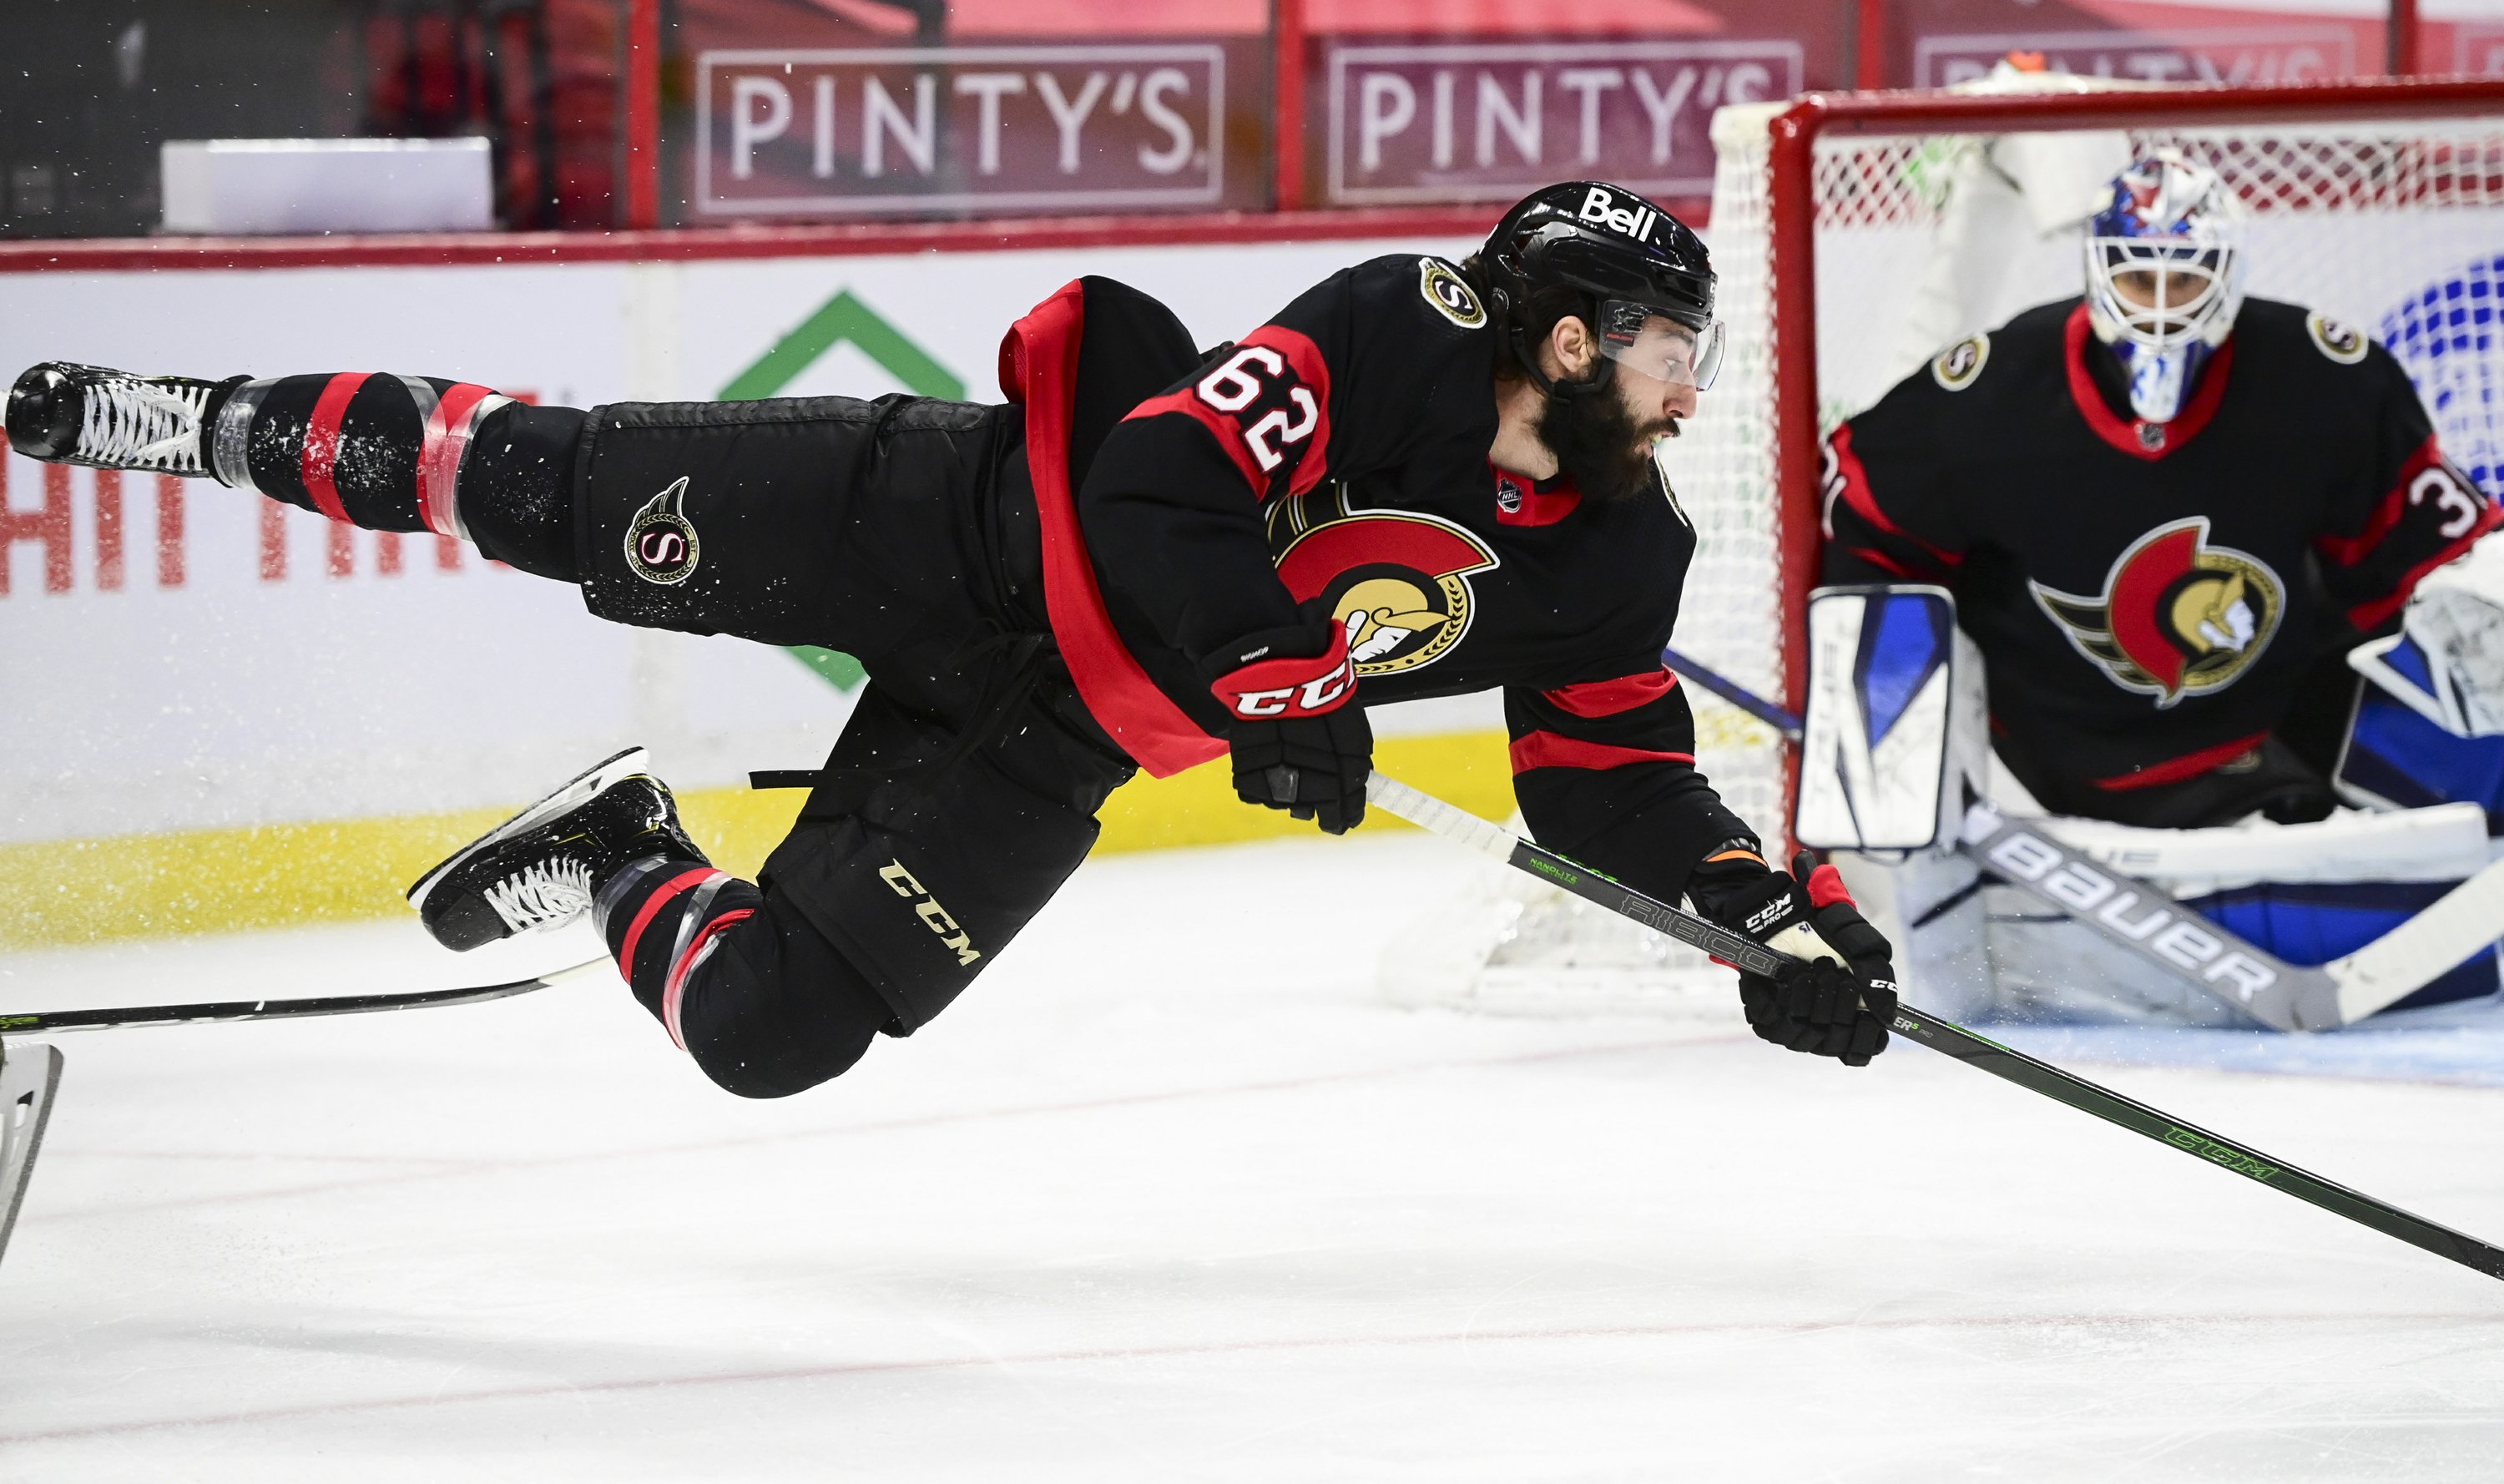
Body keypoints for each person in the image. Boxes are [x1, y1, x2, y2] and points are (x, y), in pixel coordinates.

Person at [8, 180, 1895, 1093]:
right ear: (1564, 341)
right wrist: (1271, 669)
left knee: (771, 1032)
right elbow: (1160, 473)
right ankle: (181, 415)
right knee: (533, 483)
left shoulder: (1619, 554)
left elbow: (1613, 783)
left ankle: (617, 855)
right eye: (1661, 347)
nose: (1682, 389)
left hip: (1053, 742)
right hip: (953, 526)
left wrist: (1760, 914)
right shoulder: (1402, 322)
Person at [1822, 150, 2500, 830]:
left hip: (2268, 746)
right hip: (2035, 760)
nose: (2164, 307)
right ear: (2099, 270)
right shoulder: (1993, 392)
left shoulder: (2322, 379)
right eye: (2141, 278)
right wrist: (1894, 759)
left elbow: (2434, 555)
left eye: (2188, 279)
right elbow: (1864, 529)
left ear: (2229, 274)